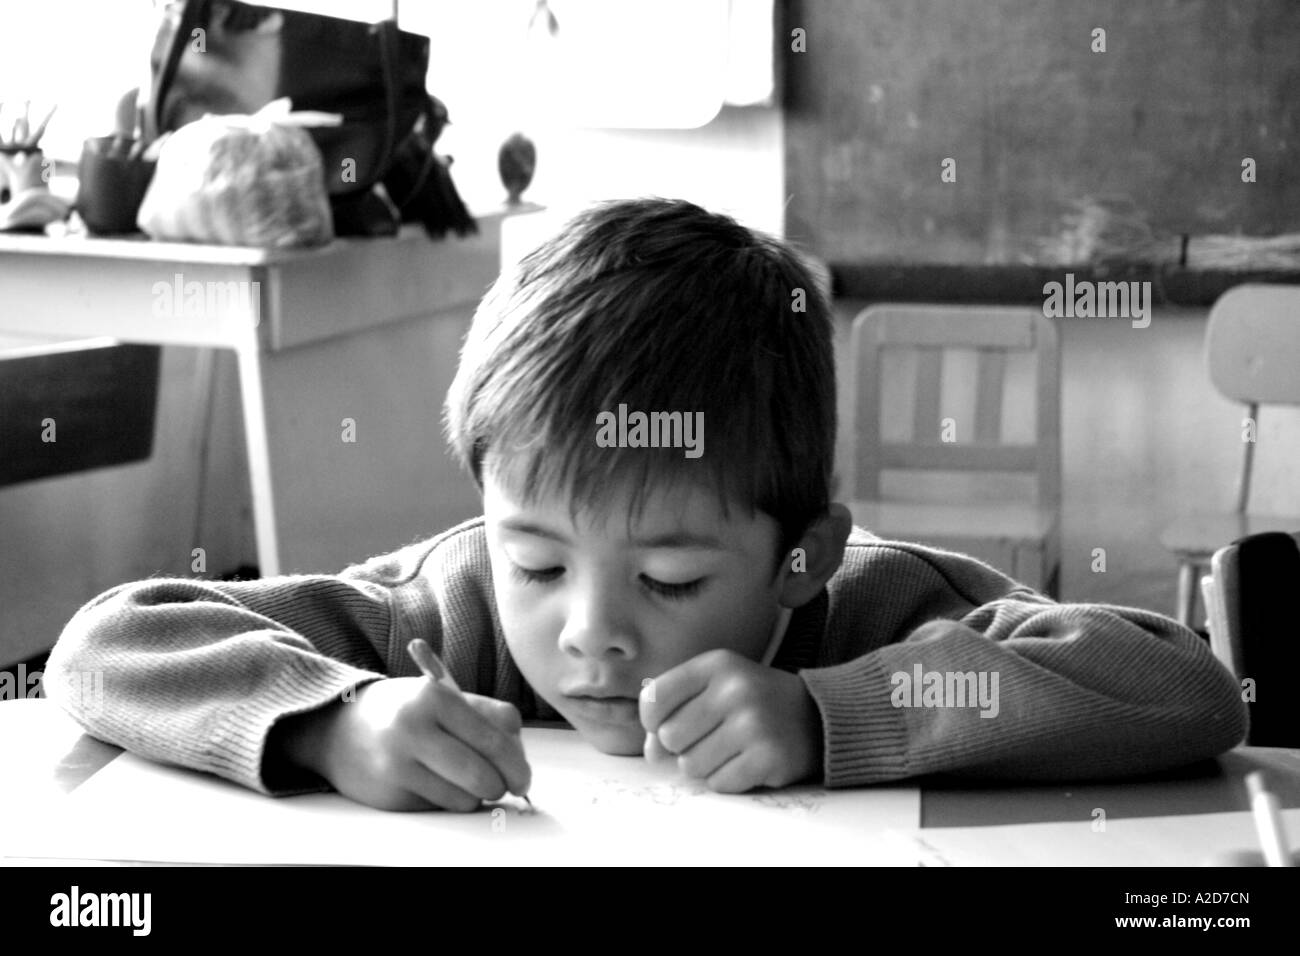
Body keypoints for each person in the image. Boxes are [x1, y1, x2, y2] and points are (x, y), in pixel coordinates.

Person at [45, 198, 1248, 812]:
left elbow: (1180, 682)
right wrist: (330, 719)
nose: (587, 632)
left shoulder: (883, 607)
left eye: (671, 579)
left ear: (799, 555)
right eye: (539, 562)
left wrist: (831, 718)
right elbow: (105, 644)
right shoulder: (456, 605)